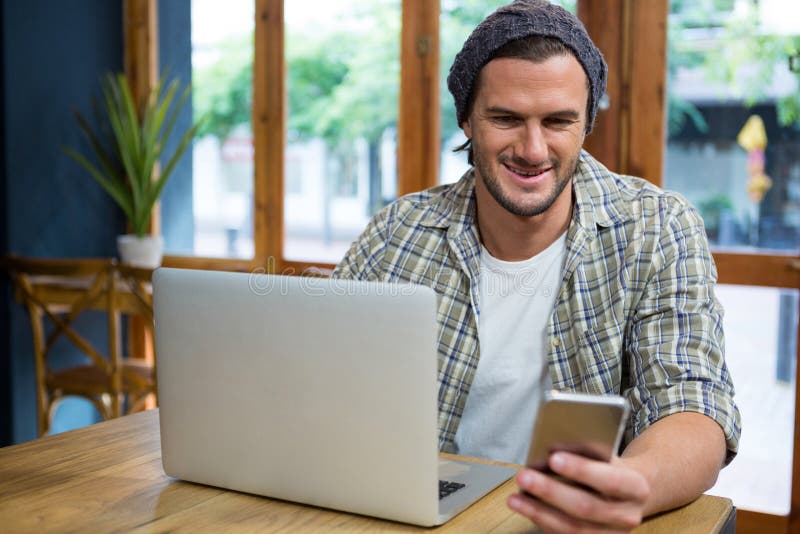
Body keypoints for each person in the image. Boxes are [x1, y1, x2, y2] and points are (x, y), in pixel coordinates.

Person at [333, 0, 741, 530]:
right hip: (410, 516)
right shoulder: (397, 232)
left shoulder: (657, 227)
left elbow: (692, 401)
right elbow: (324, 386)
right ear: (466, 119)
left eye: (557, 121)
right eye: (505, 118)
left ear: (587, 122)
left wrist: (635, 485)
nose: (532, 148)